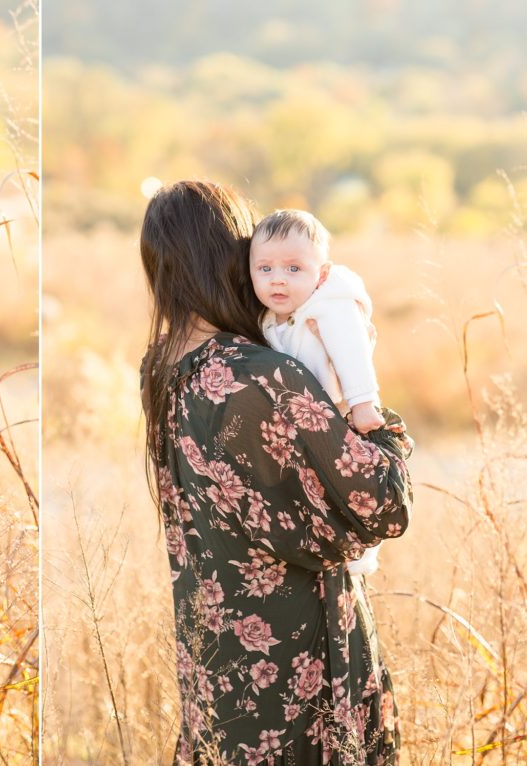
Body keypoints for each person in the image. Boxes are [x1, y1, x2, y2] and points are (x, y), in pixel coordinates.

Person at [139, 180, 413, 765]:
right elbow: (383, 504)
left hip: (214, 650)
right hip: (298, 655)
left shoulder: (161, 366)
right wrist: (371, 410)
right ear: (232, 262)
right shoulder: (260, 375)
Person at [250, 208, 386, 577]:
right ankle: (322, 550)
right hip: (302, 425)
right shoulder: (267, 319)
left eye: (294, 269)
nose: (278, 280)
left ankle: (361, 556)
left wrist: (362, 402)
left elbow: (352, 351)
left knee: (349, 484)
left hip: (340, 415)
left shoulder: (331, 304)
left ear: (321, 274)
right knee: (312, 489)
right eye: (265, 269)